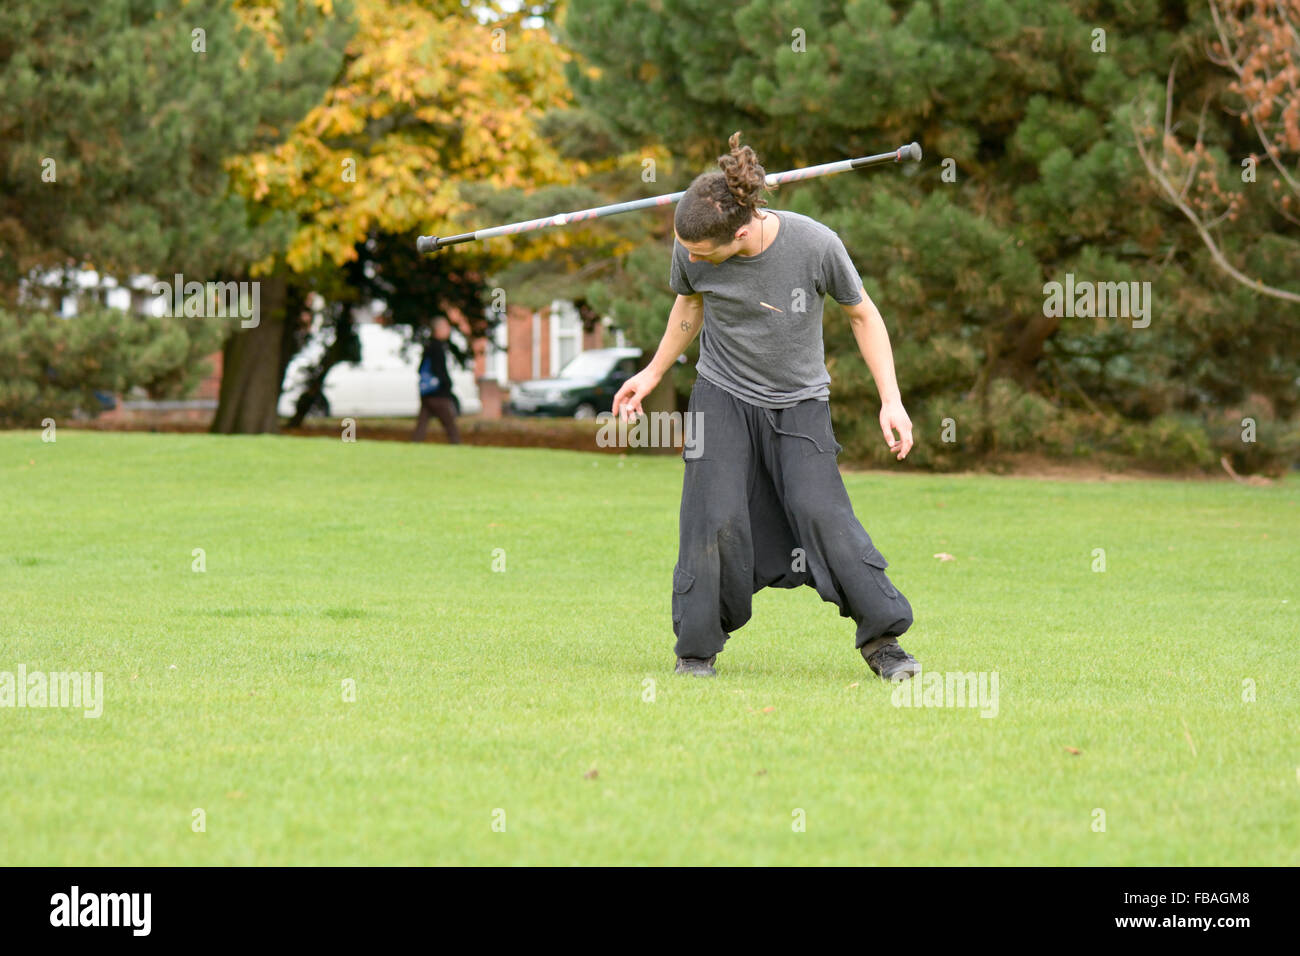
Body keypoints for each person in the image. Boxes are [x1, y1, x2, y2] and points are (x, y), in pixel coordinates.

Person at [612, 132, 919, 681]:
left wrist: (890, 400)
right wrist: (653, 372)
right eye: (686, 249)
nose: (689, 257)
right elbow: (688, 306)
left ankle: (883, 643)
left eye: (701, 251)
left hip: (800, 402)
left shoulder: (815, 244)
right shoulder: (695, 248)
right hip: (721, 395)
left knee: (822, 514)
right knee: (713, 518)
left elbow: (863, 316)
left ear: (742, 231)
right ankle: (697, 649)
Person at [412, 317, 461, 445]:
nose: (448, 330)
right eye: (446, 327)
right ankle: (458, 448)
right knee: (451, 427)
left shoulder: (428, 346)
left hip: (426, 393)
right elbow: (440, 371)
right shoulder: (438, 348)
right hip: (439, 394)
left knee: (421, 426)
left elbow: (420, 369)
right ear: (438, 330)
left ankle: (413, 448)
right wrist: (448, 386)